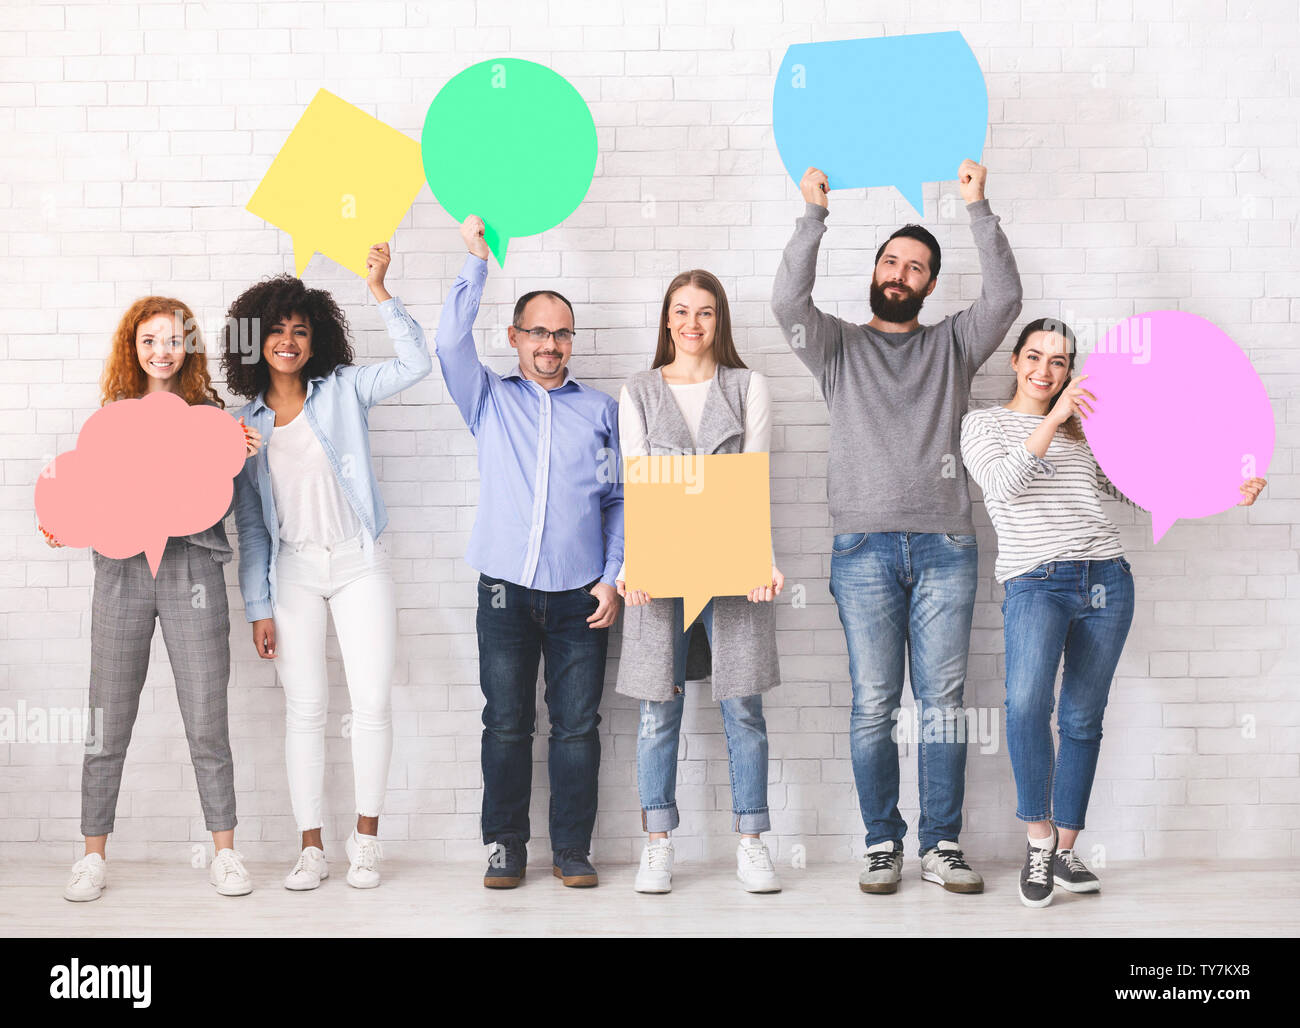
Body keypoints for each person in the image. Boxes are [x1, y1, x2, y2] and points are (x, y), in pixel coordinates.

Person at [771, 160, 1023, 894]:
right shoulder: (836, 347)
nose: (901, 273)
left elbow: (1005, 297)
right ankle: (881, 841)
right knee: (874, 701)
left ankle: (942, 845)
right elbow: (786, 298)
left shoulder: (953, 344)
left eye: (916, 267)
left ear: (930, 285)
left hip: (947, 546)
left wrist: (978, 206)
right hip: (862, 549)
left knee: (942, 704)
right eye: (891, 260)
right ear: (876, 269)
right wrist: (813, 216)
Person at [961, 318, 1266, 907]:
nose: (1044, 371)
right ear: (1014, 361)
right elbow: (1002, 487)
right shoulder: (984, 424)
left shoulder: (1088, 432)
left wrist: (1230, 486)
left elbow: (1145, 487)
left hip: (1106, 579)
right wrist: (1052, 419)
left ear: (1071, 369)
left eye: (1058, 361)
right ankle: (1039, 841)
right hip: (1035, 583)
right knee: (1025, 705)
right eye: (1034, 356)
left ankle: (1067, 851)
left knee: (1081, 718)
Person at [227, 242, 432, 891]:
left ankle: (365, 842)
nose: (288, 340)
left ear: (315, 339)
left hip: (358, 563)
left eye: (300, 329)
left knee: (371, 701)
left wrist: (379, 288)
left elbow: (416, 362)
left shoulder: (345, 389)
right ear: (255, 341)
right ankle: (311, 847)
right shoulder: (245, 427)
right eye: (277, 330)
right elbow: (252, 528)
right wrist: (258, 608)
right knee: (305, 709)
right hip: (292, 572)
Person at [52, 296, 262, 902]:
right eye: (149, 340)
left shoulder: (214, 419)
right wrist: (61, 518)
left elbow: (227, 501)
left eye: (172, 339)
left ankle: (224, 854)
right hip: (120, 571)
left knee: (206, 719)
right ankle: (92, 856)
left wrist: (240, 454)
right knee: (107, 719)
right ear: (134, 348)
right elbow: (86, 497)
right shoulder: (111, 419)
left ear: (187, 347)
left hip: (191, 565)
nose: (161, 350)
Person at [437, 216, 624, 889]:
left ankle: (572, 850)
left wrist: (612, 579)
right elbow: (449, 340)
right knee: (507, 723)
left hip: (581, 593)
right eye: (538, 331)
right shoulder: (487, 398)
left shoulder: (602, 410)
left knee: (576, 727)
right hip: (503, 591)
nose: (551, 343)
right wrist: (476, 263)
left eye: (561, 332)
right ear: (515, 337)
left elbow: (618, 500)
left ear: (572, 341)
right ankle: (504, 848)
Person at [615, 270, 784, 895]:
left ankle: (752, 840)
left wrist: (761, 561)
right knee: (660, 708)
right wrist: (632, 566)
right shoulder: (637, 390)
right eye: (681, 311)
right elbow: (636, 484)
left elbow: (753, 481)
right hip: (660, 563)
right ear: (666, 320)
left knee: (742, 703)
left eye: (705, 312)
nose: (692, 324)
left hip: (730, 559)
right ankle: (657, 842)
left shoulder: (747, 387)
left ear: (721, 321)